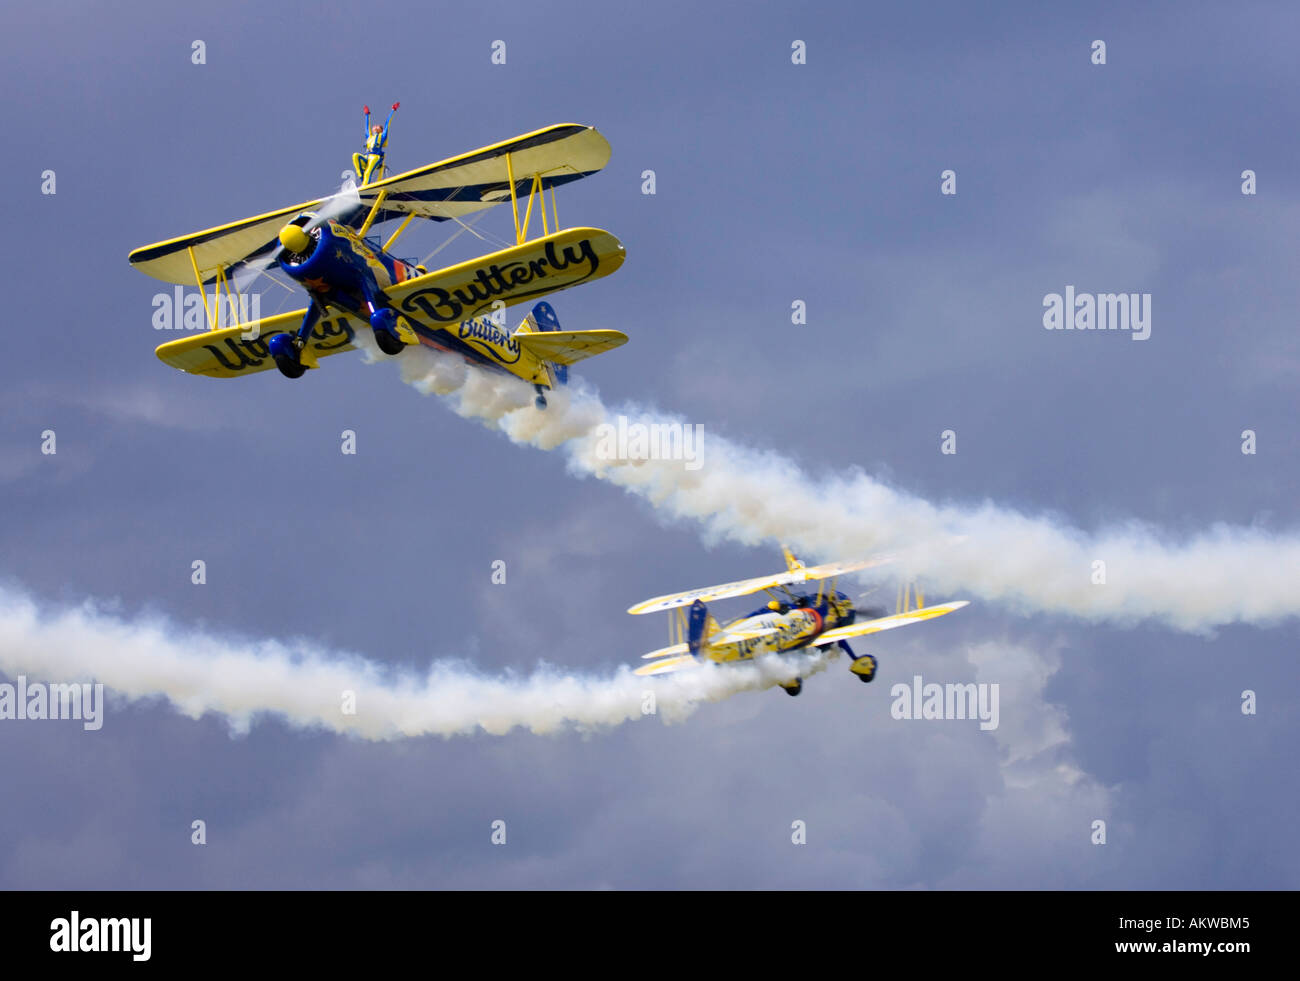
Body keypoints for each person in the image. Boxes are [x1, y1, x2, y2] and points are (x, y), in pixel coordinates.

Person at [352, 102, 399, 186]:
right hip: (367, 156)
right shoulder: (369, 137)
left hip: (375, 157)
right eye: (375, 126)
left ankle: (365, 186)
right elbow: (367, 127)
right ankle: (362, 177)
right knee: (355, 155)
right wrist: (367, 115)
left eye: (378, 126)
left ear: (381, 130)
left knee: (368, 172)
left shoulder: (382, 136)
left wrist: (393, 110)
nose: (376, 126)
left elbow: (387, 123)